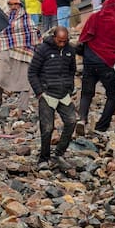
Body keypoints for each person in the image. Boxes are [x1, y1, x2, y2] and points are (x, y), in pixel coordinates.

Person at [77, 0, 115, 135]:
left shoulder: (94, 17)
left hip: (89, 61)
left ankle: (82, 120)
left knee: (86, 93)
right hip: (104, 63)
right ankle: (101, 126)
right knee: (113, 95)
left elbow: (84, 37)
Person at [28, 26, 79, 170]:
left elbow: (72, 70)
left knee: (71, 121)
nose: (62, 44)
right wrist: (39, 92)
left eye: (65, 41)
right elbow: (32, 72)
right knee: (47, 128)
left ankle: (59, 154)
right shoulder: (43, 49)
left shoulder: (70, 50)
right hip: (47, 94)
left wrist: (70, 87)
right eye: (60, 41)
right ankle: (43, 159)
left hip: (63, 94)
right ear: (54, 37)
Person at [0, 0, 40, 120]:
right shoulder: (2, 17)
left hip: (23, 51)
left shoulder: (27, 18)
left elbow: (34, 33)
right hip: (6, 49)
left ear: (20, 5)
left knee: (25, 79)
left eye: (15, 4)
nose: (13, 6)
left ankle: (22, 108)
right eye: (10, 4)